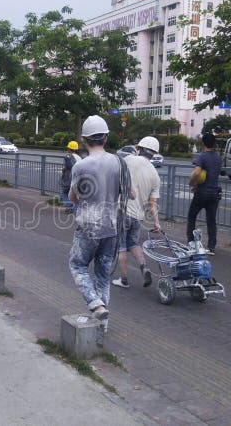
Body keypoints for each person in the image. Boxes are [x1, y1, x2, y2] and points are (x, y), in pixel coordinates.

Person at [68, 115, 130, 329]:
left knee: (77, 265)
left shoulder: (81, 166)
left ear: (84, 139)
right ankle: (102, 327)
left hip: (87, 226)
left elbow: (73, 198)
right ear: (105, 138)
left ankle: (95, 305)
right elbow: (129, 193)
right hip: (111, 227)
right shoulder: (119, 162)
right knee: (103, 276)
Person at [112, 136, 161, 289]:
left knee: (121, 246)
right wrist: (156, 223)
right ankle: (144, 267)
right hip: (138, 216)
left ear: (139, 148)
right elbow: (152, 203)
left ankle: (124, 279)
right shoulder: (155, 174)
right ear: (154, 153)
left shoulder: (129, 160)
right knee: (133, 243)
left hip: (123, 211)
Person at [187, 133, 222, 255]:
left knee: (192, 216)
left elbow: (197, 173)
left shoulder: (202, 157)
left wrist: (191, 183)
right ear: (214, 143)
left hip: (202, 192)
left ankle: (191, 244)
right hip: (214, 193)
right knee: (211, 220)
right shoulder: (218, 158)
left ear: (203, 143)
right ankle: (211, 247)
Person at [60, 141, 83, 213]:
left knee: (65, 192)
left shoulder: (68, 156)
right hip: (78, 178)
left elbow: (69, 166)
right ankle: (75, 209)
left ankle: (69, 205)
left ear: (69, 149)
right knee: (76, 194)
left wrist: (64, 169)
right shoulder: (79, 157)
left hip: (69, 178)